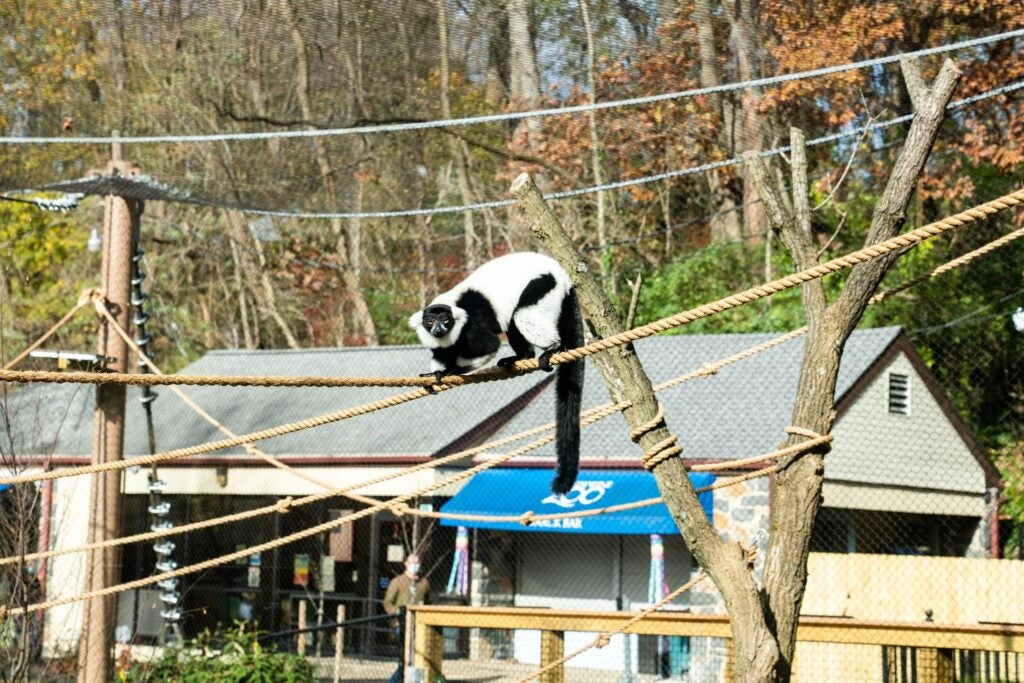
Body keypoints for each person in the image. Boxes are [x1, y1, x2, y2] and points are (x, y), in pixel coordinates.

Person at [383, 553, 429, 683]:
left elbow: (428, 601)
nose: (415, 565)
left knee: (418, 657)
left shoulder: (423, 583)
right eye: (412, 562)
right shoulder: (397, 582)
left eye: (417, 563)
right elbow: (388, 602)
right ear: (406, 564)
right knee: (406, 657)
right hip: (402, 624)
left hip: (419, 625)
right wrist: (398, 614)